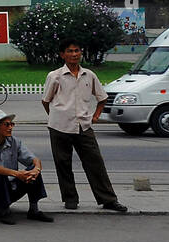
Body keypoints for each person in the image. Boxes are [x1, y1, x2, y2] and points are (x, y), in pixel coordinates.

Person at [42, 39, 125, 213]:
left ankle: (108, 199)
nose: (74, 54)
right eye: (70, 51)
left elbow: (102, 98)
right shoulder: (55, 76)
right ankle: (70, 199)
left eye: (77, 51)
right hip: (59, 127)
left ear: (81, 53)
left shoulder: (89, 75)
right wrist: (57, 116)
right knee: (63, 164)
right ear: (62, 54)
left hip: (84, 126)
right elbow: (46, 101)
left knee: (95, 163)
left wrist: (95, 116)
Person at [0, 109, 50, 224]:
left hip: (11, 186)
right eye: (6, 125)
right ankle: (3, 211)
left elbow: (35, 159)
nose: (10, 127)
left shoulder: (15, 142)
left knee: (32, 170)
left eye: (11, 124)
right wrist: (17, 174)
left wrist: (36, 170)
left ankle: (34, 209)